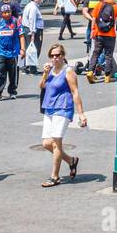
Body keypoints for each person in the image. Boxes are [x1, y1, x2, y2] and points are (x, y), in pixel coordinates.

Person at [39, 43, 88, 187]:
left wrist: (81, 114)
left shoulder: (68, 71)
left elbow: (75, 92)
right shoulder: (50, 70)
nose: (55, 58)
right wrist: (45, 73)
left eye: (58, 55)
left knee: (57, 142)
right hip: (49, 108)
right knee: (46, 143)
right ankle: (71, 161)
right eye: (52, 55)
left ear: (63, 56)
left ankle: (54, 176)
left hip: (63, 108)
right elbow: (42, 86)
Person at [84, 0, 117, 83]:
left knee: (95, 53)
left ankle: (90, 71)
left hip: (99, 33)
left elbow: (94, 18)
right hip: (110, 35)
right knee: (108, 55)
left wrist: (93, 31)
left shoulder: (99, 4)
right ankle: (107, 76)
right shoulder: (115, 6)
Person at [0, 6, 24, 101]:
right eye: (4, 12)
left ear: (11, 12)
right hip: (1, 52)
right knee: (0, 73)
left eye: (8, 12)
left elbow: (21, 36)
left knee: (13, 74)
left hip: (13, 53)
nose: (6, 14)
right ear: (1, 13)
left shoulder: (16, 21)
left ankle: (12, 91)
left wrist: (22, 49)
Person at [21, 0, 46, 75]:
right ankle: (32, 69)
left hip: (28, 29)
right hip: (33, 30)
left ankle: (26, 67)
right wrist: (33, 32)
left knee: (29, 49)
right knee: (35, 49)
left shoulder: (31, 6)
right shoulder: (33, 7)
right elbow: (32, 20)